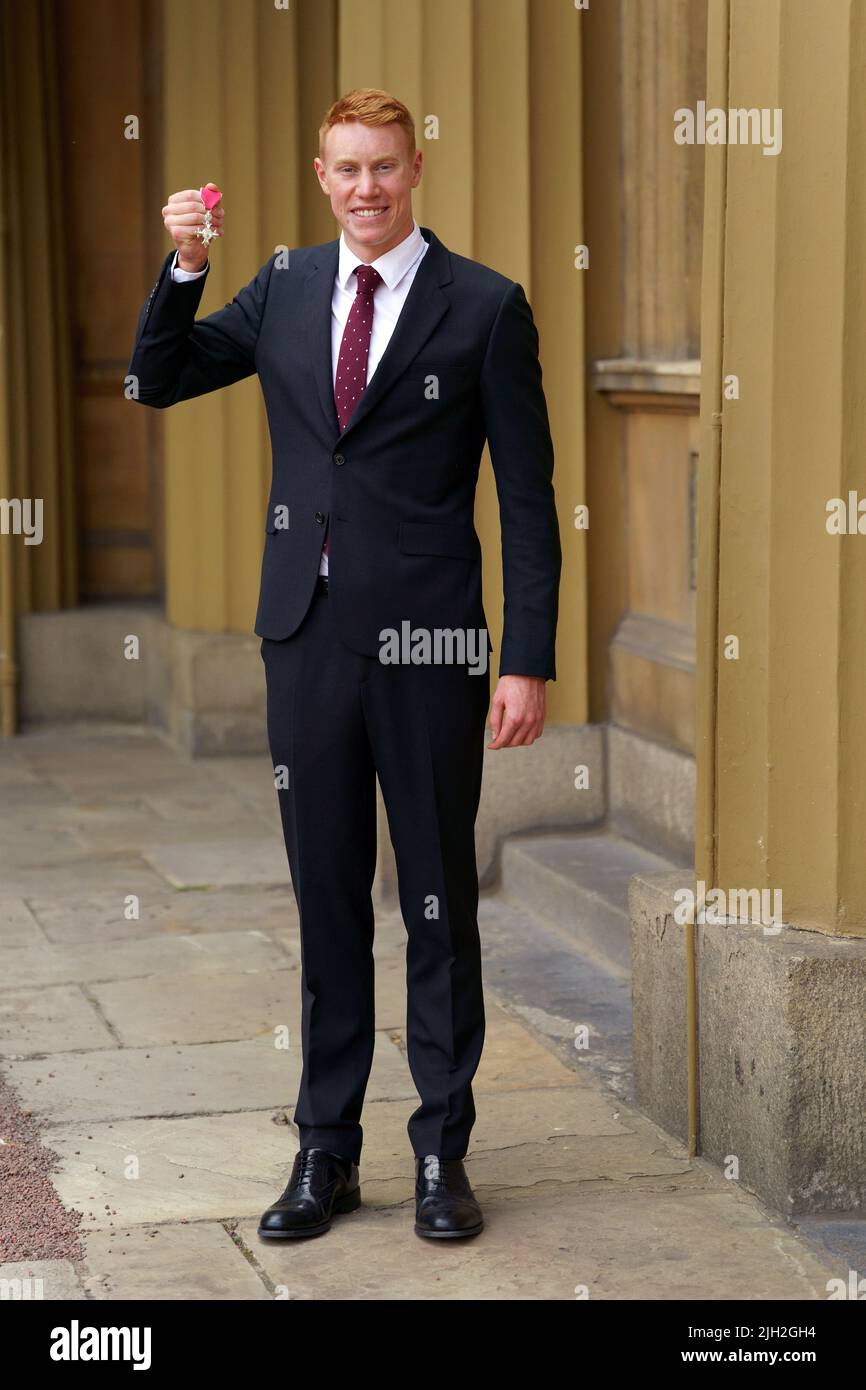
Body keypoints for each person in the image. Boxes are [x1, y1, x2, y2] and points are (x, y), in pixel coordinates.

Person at [128, 88, 561, 1241]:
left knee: (435, 903)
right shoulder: (283, 288)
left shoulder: (484, 307)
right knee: (326, 903)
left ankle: (440, 1157)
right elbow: (159, 378)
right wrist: (182, 266)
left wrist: (525, 657)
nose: (365, 187)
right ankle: (324, 1155)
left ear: (414, 169)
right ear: (320, 177)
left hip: (431, 647)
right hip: (305, 640)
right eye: (345, 169)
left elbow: (525, 501)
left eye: (383, 166)